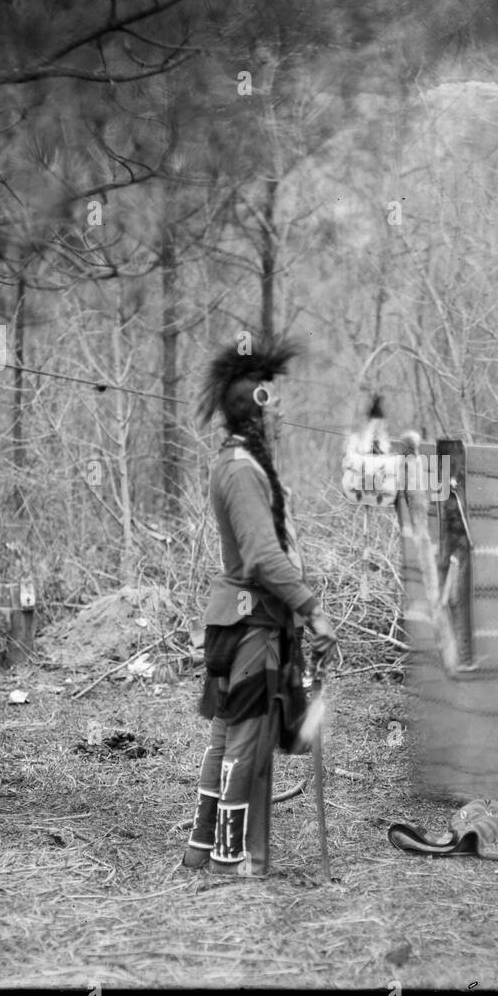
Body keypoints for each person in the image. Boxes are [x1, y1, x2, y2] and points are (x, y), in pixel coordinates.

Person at [181, 336, 338, 877]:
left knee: (228, 734)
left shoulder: (239, 462)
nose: (282, 416)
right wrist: (312, 610)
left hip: (242, 618)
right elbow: (263, 558)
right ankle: (233, 860)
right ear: (258, 411)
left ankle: (203, 849)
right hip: (251, 623)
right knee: (243, 741)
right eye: (275, 406)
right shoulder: (242, 469)